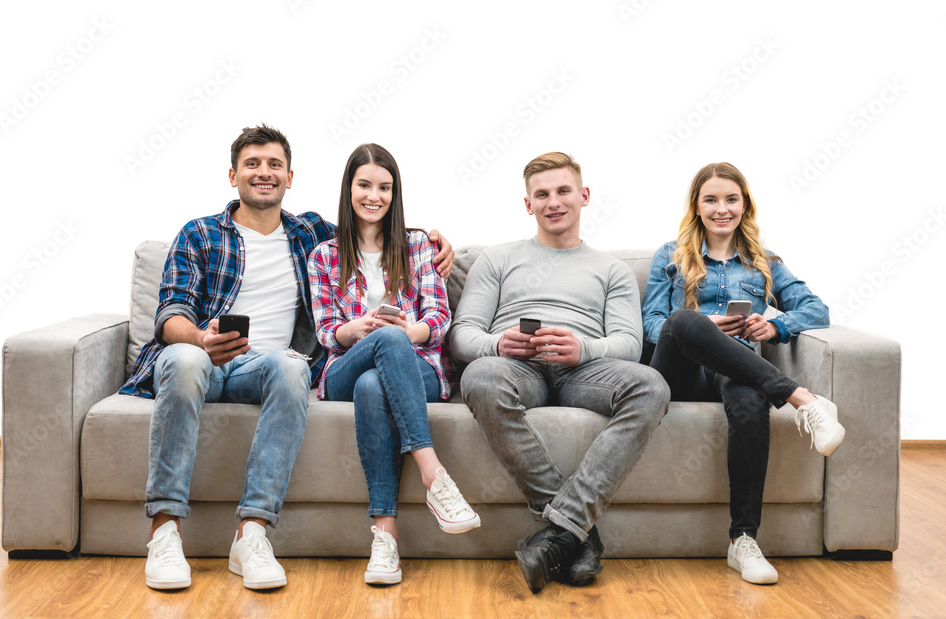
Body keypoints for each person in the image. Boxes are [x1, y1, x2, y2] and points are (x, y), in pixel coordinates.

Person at [119, 125, 454, 591]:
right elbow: (170, 312)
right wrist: (200, 338)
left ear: (290, 176)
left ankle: (252, 534)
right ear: (233, 174)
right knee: (184, 360)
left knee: (294, 366)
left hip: (266, 368)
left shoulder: (308, 234)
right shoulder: (198, 234)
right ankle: (165, 532)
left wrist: (434, 238)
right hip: (203, 358)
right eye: (252, 164)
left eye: (274, 164)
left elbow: (372, 224)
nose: (264, 173)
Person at [450, 152, 670, 593]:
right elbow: (460, 335)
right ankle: (573, 532)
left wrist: (582, 348)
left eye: (563, 191)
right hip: (516, 368)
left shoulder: (613, 270)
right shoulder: (496, 260)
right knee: (479, 377)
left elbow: (629, 343)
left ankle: (560, 532)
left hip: (583, 372)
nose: (554, 202)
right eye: (542, 194)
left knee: (651, 385)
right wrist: (498, 343)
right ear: (528, 204)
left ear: (584, 196)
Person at [641, 161, 845, 585]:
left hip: (734, 370)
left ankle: (743, 540)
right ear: (696, 207)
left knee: (751, 399)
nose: (722, 209)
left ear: (744, 204)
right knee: (684, 320)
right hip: (678, 373)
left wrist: (774, 326)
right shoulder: (671, 255)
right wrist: (703, 327)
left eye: (731, 199)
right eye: (711, 200)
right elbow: (651, 324)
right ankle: (802, 399)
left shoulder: (763, 262)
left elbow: (816, 309)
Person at [307, 143, 479, 586]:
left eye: (384, 187)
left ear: (394, 193)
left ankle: (385, 535)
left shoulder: (418, 245)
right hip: (345, 364)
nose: (374, 195)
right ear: (348, 189)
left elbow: (440, 318)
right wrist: (356, 329)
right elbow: (326, 330)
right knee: (375, 350)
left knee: (373, 385)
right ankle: (434, 476)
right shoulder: (323, 255)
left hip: (415, 364)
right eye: (364, 185)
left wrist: (407, 332)